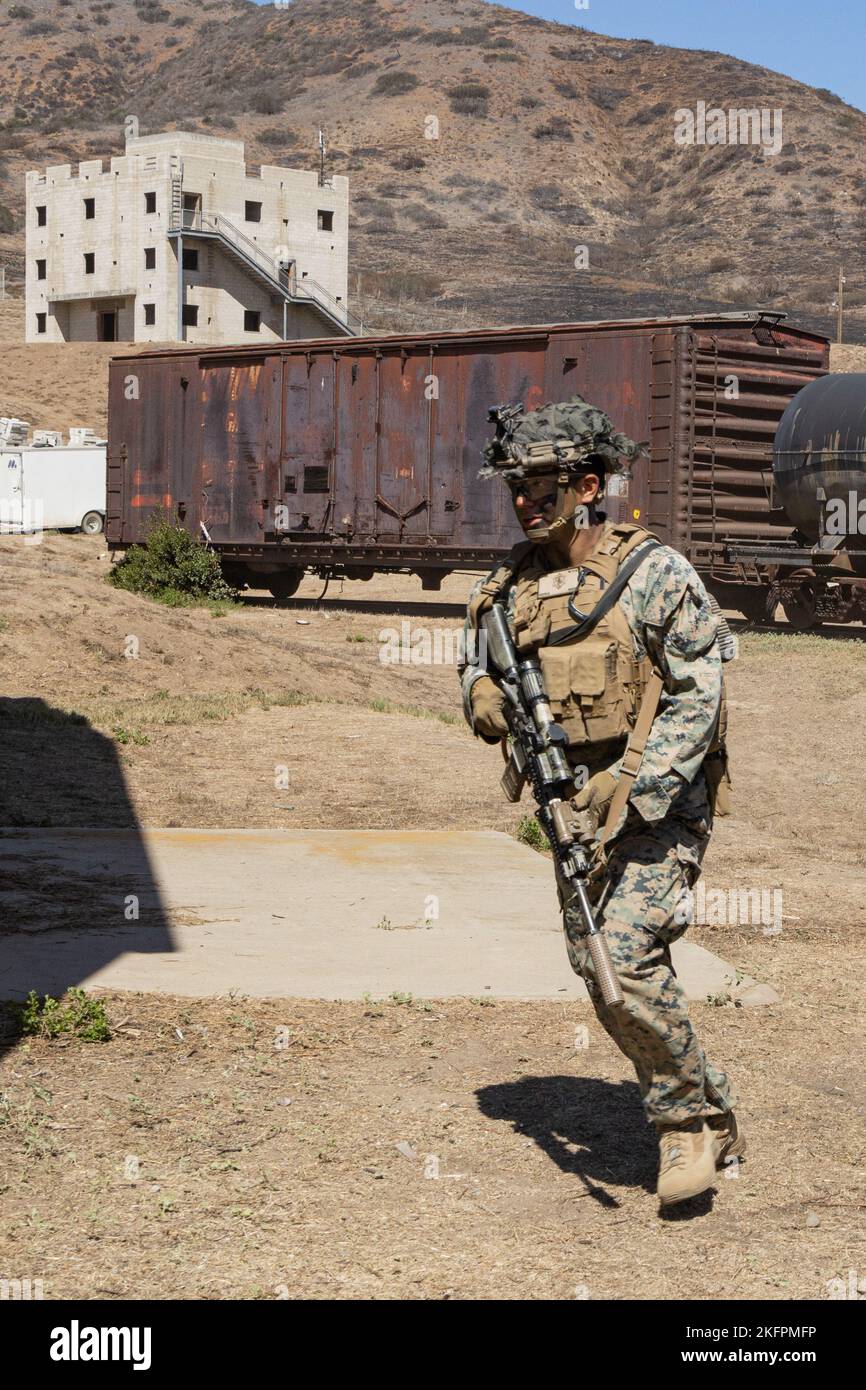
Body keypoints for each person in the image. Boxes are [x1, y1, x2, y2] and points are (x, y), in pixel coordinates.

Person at [458, 395, 743, 1206]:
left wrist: (639, 783)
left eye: (540, 484)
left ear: (587, 485)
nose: (524, 500)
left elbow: (701, 695)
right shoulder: (509, 586)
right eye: (515, 485)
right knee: (595, 963)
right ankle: (712, 1101)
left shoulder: (652, 574)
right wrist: (477, 689)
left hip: (662, 803)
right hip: (569, 808)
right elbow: (479, 657)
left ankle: (683, 1128)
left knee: (624, 952)